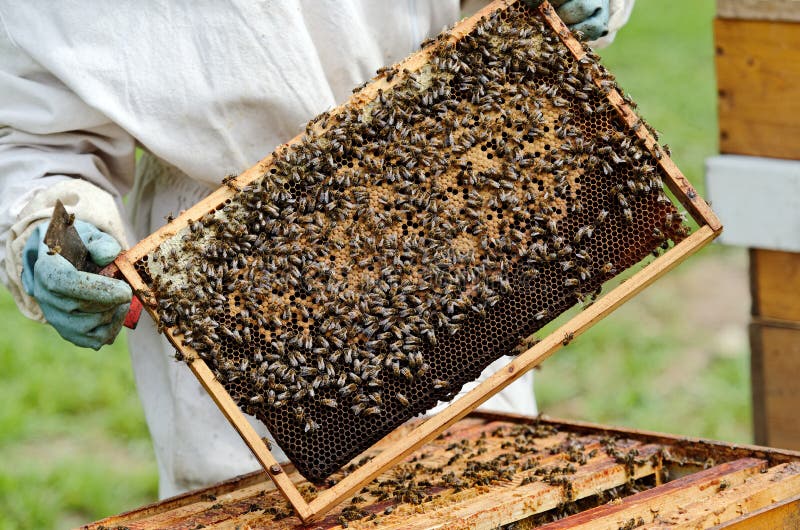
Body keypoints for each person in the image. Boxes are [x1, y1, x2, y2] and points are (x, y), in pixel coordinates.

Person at [0, 0, 634, 498]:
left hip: (446, 205)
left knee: (483, 479)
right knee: (261, 498)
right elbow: (36, 135)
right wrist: (50, 223)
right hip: (236, 277)